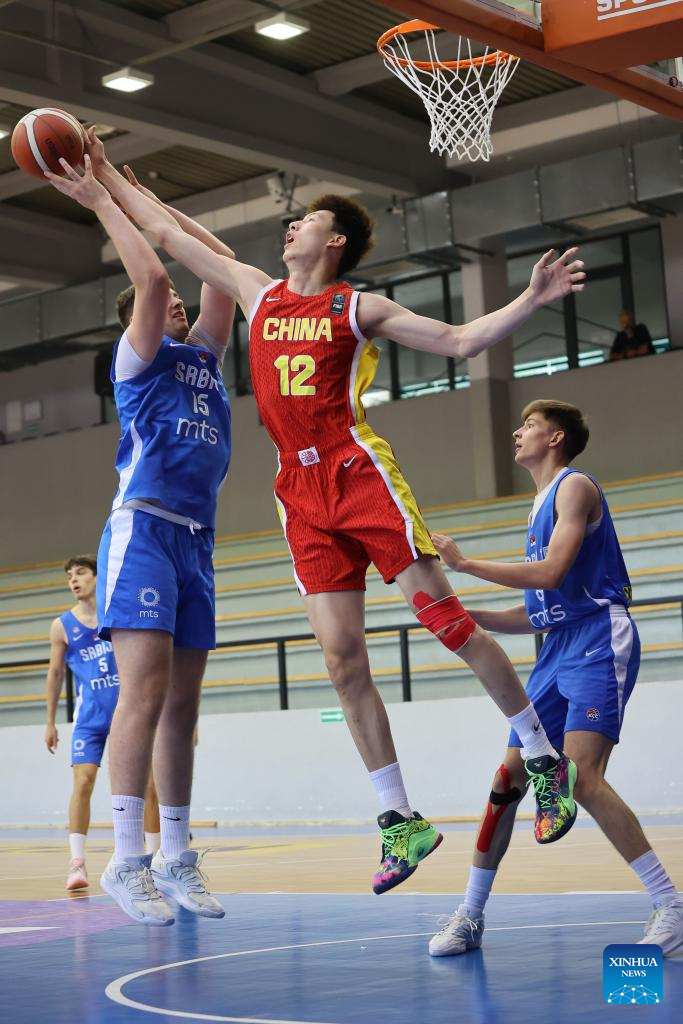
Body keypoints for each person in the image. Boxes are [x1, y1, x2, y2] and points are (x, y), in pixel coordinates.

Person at [94, 169, 588, 894]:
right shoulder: (257, 292)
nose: (289, 228)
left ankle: (544, 760)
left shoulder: (356, 306)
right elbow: (168, 234)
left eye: (305, 222)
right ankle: (399, 820)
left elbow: (459, 340)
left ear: (334, 241)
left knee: (445, 622)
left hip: (356, 472)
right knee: (342, 662)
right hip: (298, 493)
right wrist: (103, 176)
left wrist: (530, 299)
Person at [44, 137, 235, 927]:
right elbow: (154, 276)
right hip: (144, 531)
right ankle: (125, 859)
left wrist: (128, 183)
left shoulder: (206, 359)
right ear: (142, 327)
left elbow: (216, 262)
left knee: (184, 707)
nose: (179, 305)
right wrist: (100, 200)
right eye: (164, 311)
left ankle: (176, 855)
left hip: (197, 536)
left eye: (182, 308)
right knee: (147, 692)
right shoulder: (138, 362)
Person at [428, 399, 683, 957]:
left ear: (556, 437)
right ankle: (470, 915)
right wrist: (463, 618)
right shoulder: (537, 506)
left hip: (598, 635)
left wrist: (466, 565)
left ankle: (672, 906)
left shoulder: (575, 488)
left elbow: (551, 573)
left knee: (581, 778)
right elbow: (537, 610)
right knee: (506, 781)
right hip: (558, 644)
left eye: (529, 426)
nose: (517, 433)